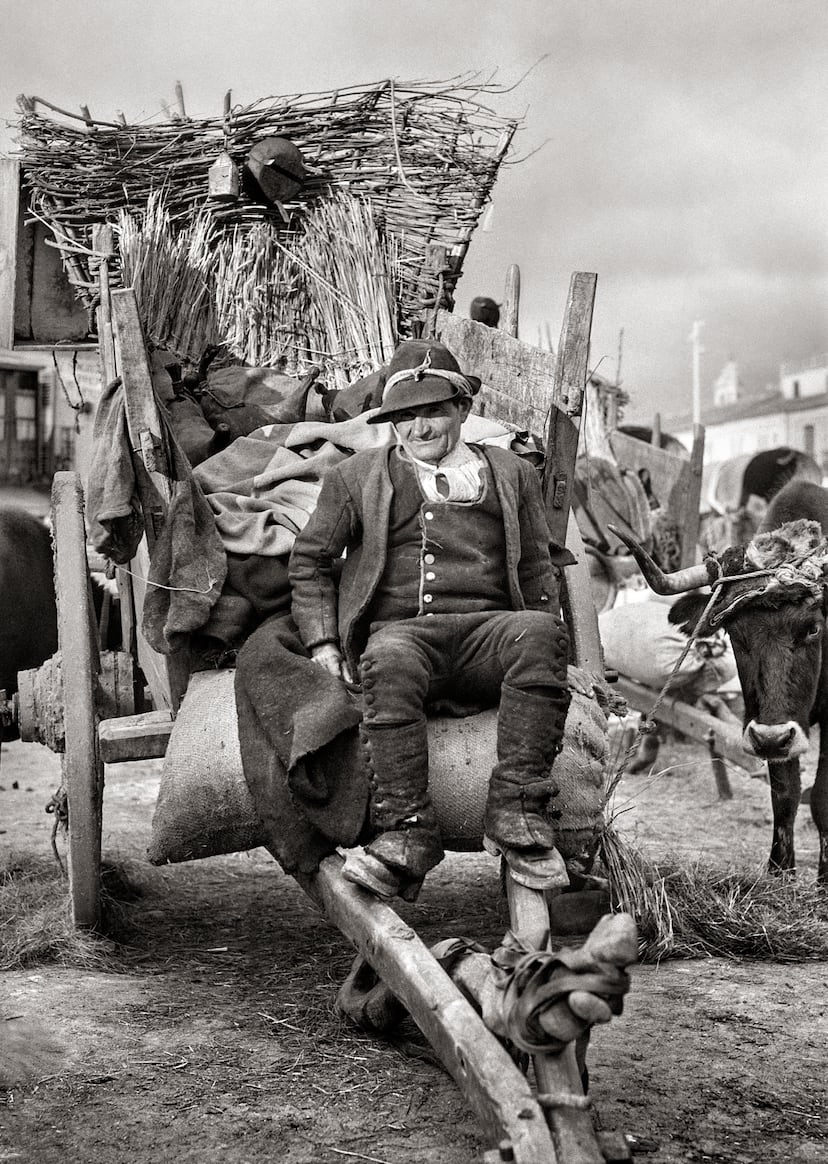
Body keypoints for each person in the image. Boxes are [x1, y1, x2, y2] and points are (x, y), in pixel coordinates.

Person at [288, 339, 575, 901]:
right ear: (391, 422)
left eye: (434, 411)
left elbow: (539, 568)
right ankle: (407, 834)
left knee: (540, 636)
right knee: (387, 658)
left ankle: (518, 812)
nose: (420, 427)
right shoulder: (358, 477)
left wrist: (556, 653)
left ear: (463, 411)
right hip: (405, 636)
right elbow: (312, 561)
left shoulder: (512, 472)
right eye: (406, 415)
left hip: (489, 634)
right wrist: (323, 641)